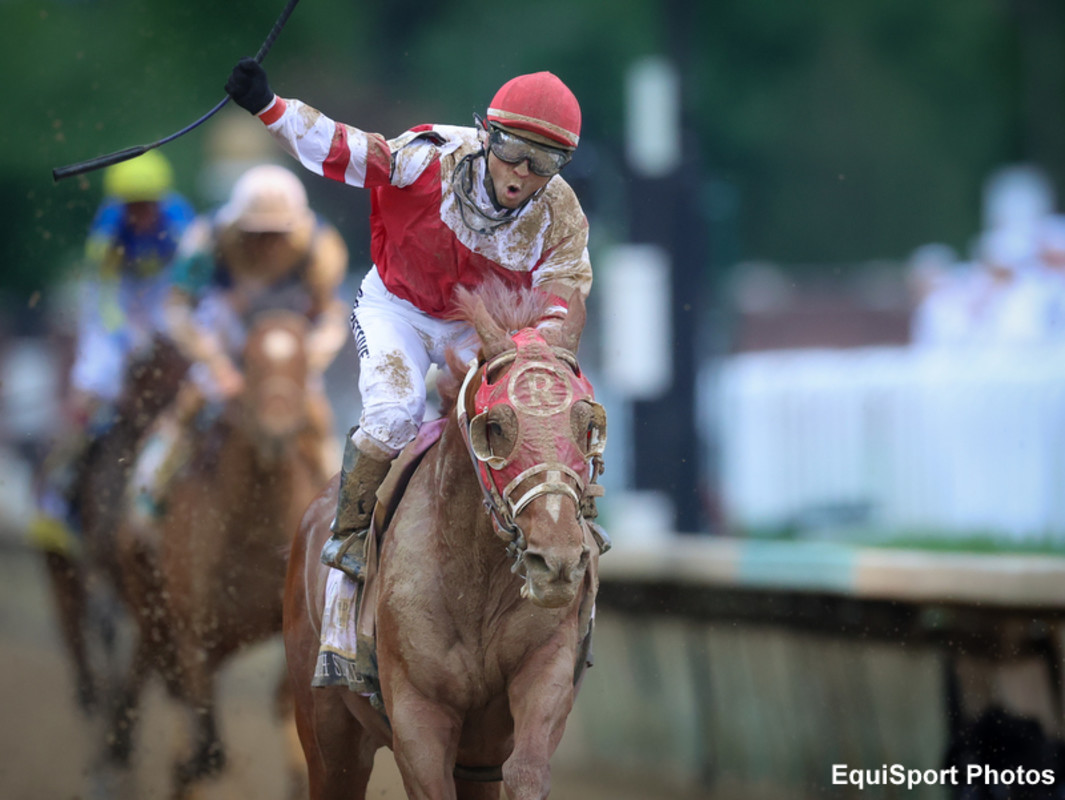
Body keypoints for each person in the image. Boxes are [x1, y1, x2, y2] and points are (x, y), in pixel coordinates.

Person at [224, 58, 594, 580]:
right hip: (398, 307)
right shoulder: (429, 158)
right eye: (512, 153)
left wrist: (530, 353)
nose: (522, 174)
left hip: (481, 328)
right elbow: (342, 150)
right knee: (395, 414)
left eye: (545, 162)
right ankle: (348, 533)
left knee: (534, 412)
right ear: (488, 134)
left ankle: (558, 527)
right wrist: (269, 107)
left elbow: (563, 307)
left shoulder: (562, 216)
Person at [129, 163, 350, 517]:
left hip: (288, 331)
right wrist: (216, 366)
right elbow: (177, 307)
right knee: (194, 399)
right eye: (256, 233)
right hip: (226, 323)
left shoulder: (321, 246)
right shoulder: (206, 238)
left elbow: (331, 316)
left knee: (315, 411)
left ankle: (340, 501)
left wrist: (305, 362)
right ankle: (150, 484)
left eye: (277, 233)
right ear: (237, 224)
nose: (266, 244)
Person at [29, 150, 196, 549]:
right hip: (116, 300)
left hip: (161, 295)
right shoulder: (109, 225)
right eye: (133, 205)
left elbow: (190, 280)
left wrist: (178, 326)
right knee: (96, 381)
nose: (142, 212)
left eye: (148, 204)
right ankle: (55, 493)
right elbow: (103, 291)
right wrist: (122, 335)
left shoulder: (181, 218)